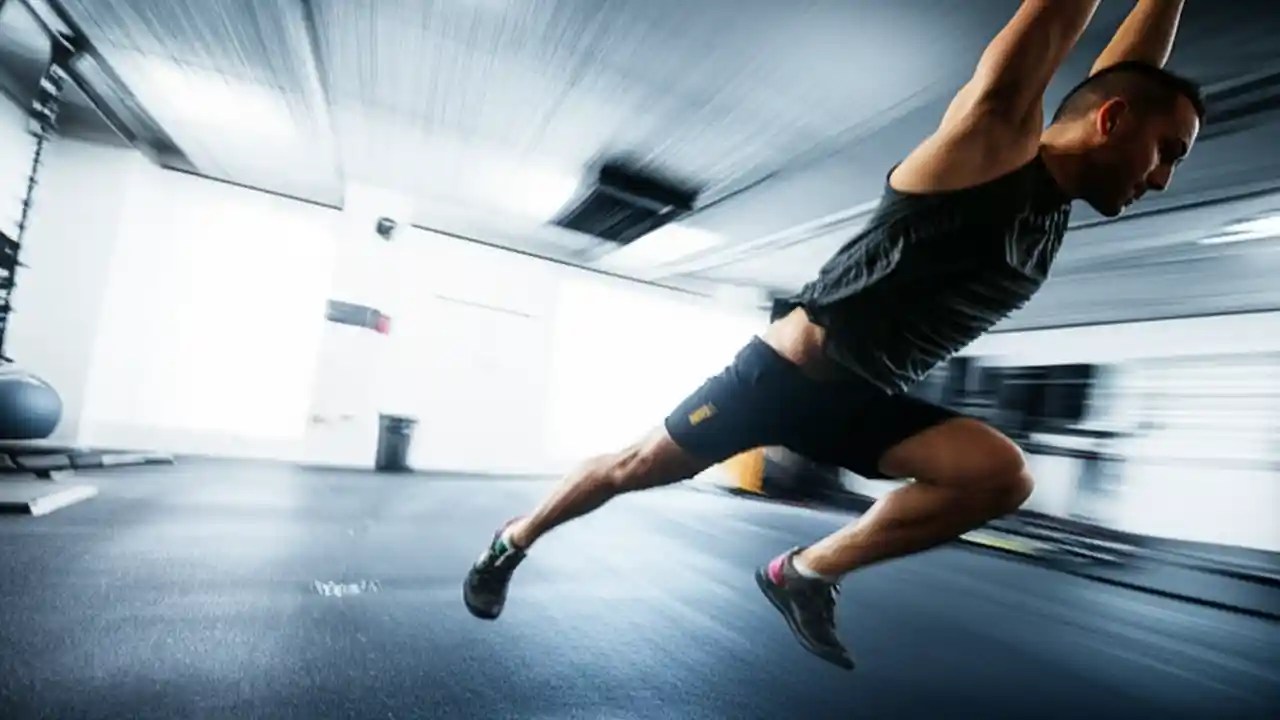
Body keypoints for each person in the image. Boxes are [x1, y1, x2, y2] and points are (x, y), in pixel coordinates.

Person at [464, 0, 1204, 670]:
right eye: (1167, 151)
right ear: (1110, 122)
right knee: (632, 467)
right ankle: (512, 540)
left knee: (1002, 476)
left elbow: (1132, 79)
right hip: (778, 381)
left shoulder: (1055, 208)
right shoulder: (988, 143)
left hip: (861, 402)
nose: (1163, 178)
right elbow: (1058, 22)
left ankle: (803, 574)